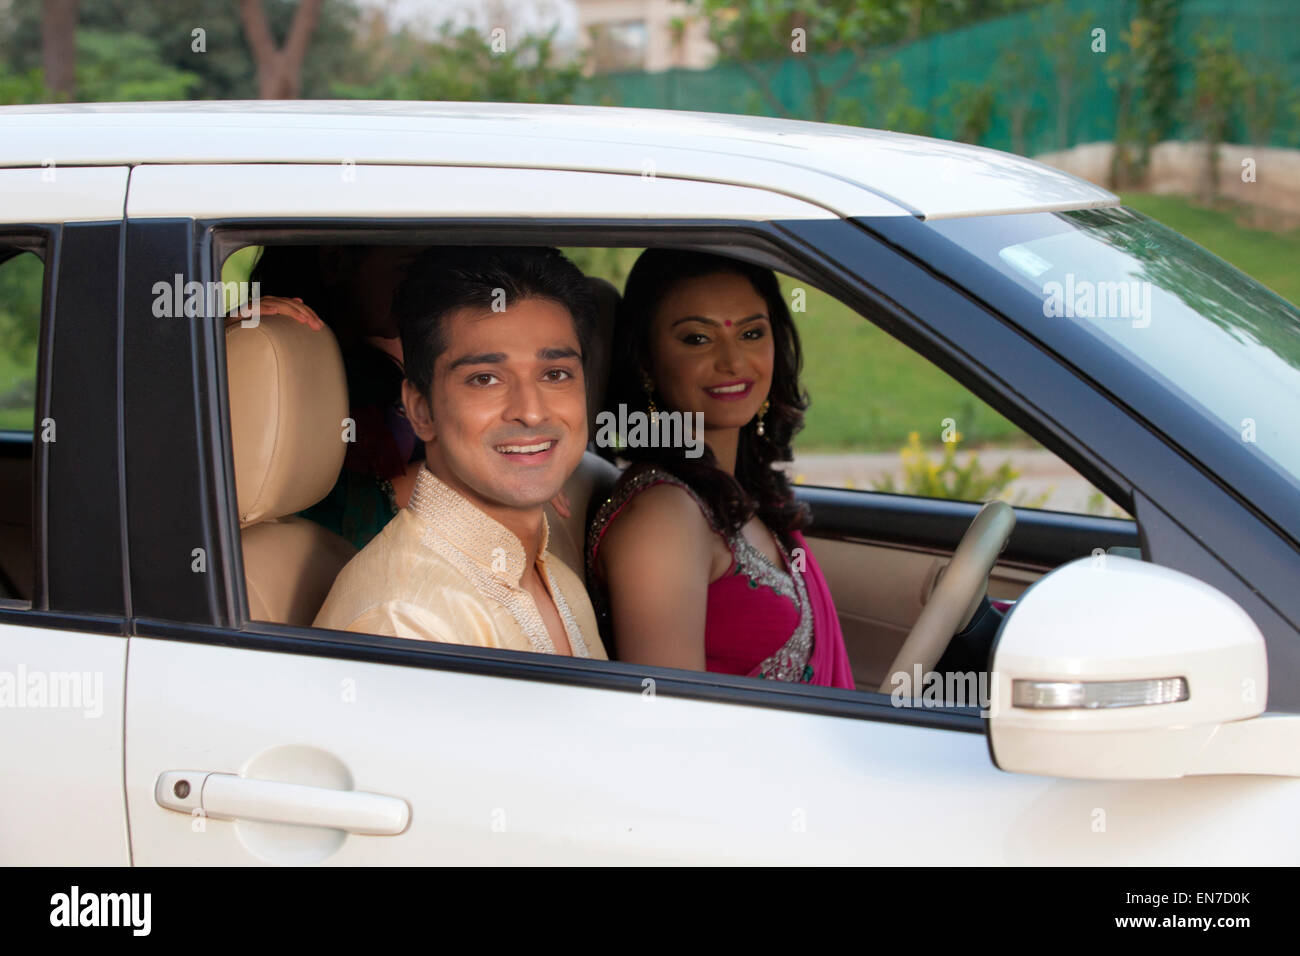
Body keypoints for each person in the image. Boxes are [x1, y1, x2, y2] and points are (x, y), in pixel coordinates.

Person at [314, 246, 607, 659]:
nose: (531, 410)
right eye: (485, 378)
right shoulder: (404, 620)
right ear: (421, 410)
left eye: (555, 374)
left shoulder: (553, 576)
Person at [586, 249, 853, 686]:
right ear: (646, 362)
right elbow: (672, 727)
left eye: (751, 333)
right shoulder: (663, 519)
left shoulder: (740, 490)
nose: (732, 361)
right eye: (696, 338)